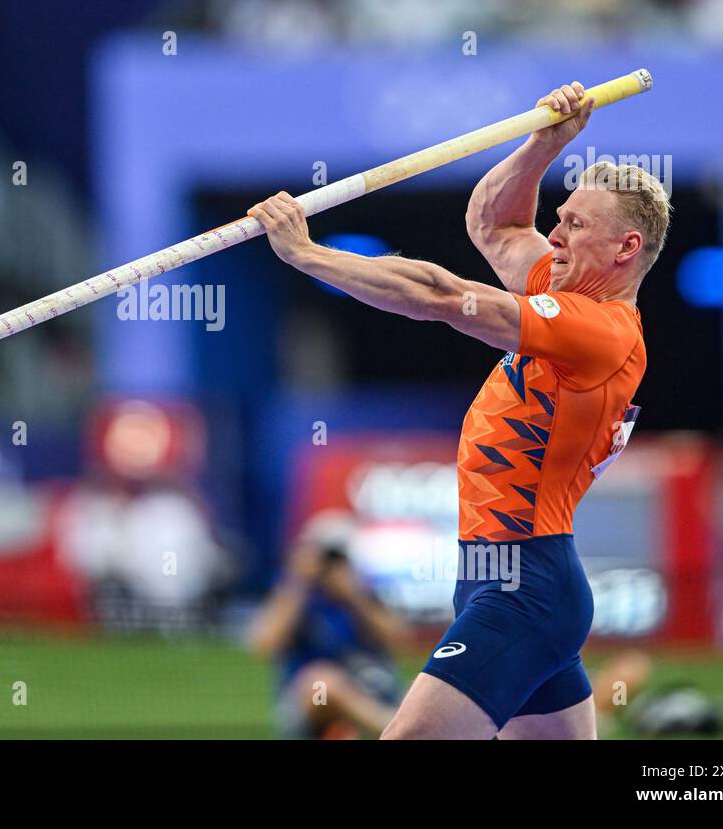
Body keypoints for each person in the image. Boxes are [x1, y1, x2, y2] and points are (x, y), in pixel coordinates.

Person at [248, 82, 672, 739]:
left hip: (523, 589)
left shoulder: (601, 329)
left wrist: (306, 254)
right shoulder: (560, 289)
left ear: (625, 249)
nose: (554, 232)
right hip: (497, 577)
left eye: (575, 224)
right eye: (558, 218)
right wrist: (545, 144)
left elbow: (442, 295)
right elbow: (494, 224)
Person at [248, 514, 409, 739]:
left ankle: (392, 727)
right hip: (314, 703)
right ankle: (398, 731)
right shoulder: (295, 592)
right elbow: (263, 645)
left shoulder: (367, 588)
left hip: (372, 688)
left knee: (428, 688)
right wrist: (300, 583)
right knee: (324, 684)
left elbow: (399, 641)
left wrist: (355, 597)